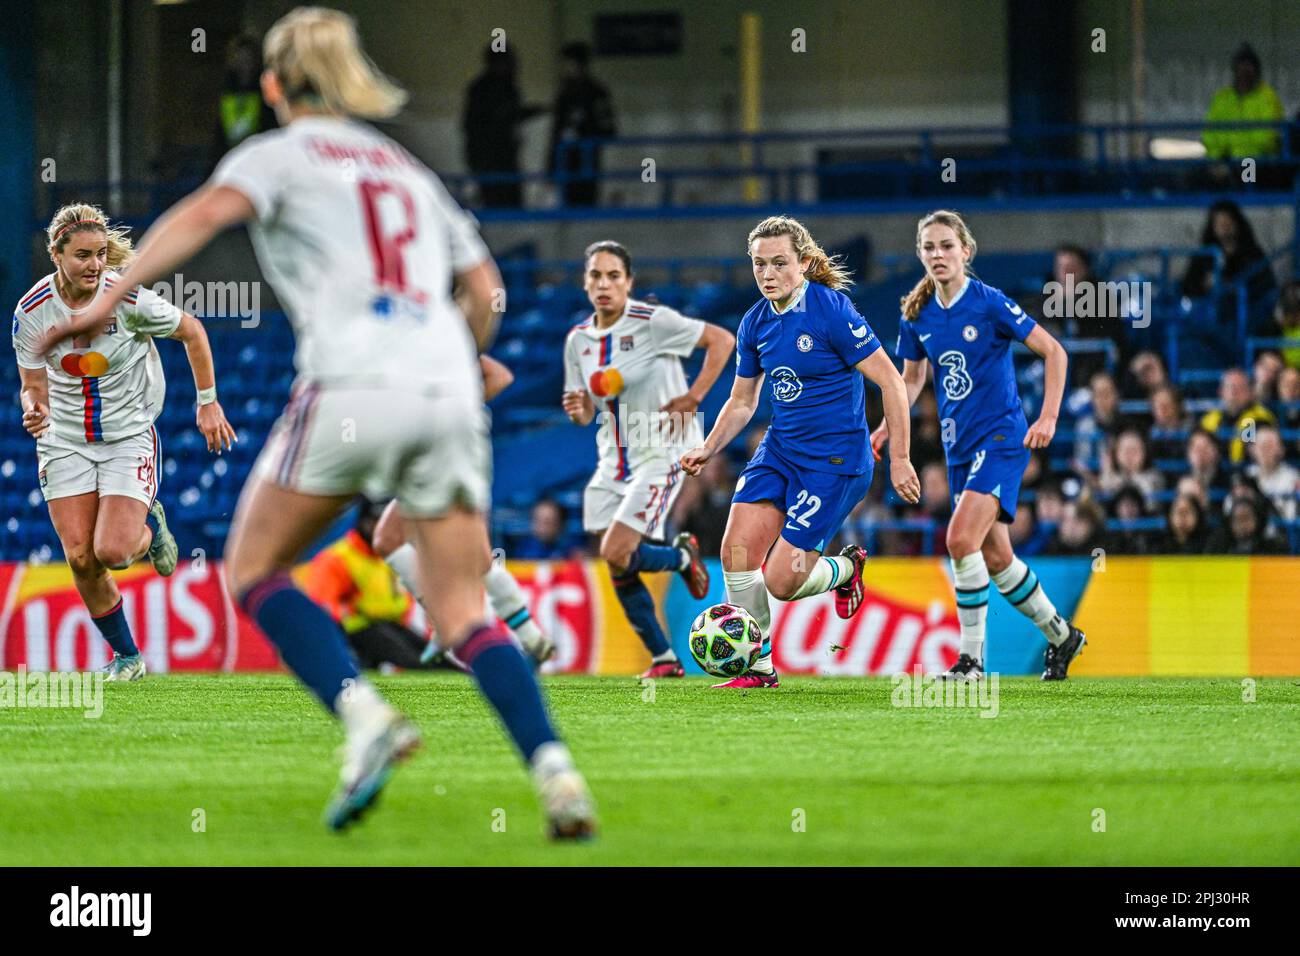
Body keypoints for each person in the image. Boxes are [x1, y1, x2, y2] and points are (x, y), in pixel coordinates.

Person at [36, 7, 594, 839]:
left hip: (352, 386)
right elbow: (483, 291)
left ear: (271, 85)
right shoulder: (407, 167)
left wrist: (105, 303)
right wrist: (451, 360)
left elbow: (198, 218)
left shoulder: (275, 154)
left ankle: (366, 720)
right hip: (444, 390)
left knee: (251, 567)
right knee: (463, 612)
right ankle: (557, 775)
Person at [681, 215, 921, 689]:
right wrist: (709, 448)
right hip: (780, 452)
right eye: (758, 265)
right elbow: (744, 400)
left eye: (778, 263)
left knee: (781, 582)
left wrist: (899, 458)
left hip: (834, 464)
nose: (767, 274)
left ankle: (845, 567)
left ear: (805, 263)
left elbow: (892, 381)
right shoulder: (754, 322)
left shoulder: (832, 310)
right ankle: (759, 667)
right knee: (735, 551)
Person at [13, 203, 235, 681]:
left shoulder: (128, 301)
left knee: (112, 552)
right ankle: (128, 658)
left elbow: (193, 331)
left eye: (99, 254)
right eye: (82, 256)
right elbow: (32, 384)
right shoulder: (31, 312)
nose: (94, 265)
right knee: (80, 557)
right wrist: (34, 408)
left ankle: (150, 529)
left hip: (127, 436)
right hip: (64, 439)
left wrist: (208, 402)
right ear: (56, 255)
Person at [874, 209, 1086, 682]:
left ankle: (971, 662)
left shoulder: (990, 303)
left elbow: (1054, 351)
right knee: (996, 558)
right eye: (929, 247)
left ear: (966, 252)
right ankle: (1061, 636)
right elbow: (910, 383)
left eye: (947, 245)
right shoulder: (916, 314)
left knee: (958, 539)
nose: (938, 254)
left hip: (1002, 438)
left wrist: (1048, 415)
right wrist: (890, 426)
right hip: (959, 449)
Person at [562, 240, 733, 678]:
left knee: (617, 549)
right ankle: (663, 658)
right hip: (611, 460)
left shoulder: (654, 322)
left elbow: (721, 340)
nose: (604, 284)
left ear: (629, 282)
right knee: (615, 557)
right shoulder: (578, 341)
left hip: (661, 453)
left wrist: (694, 396)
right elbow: (586, 412)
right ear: (585, 282)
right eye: (596, 275)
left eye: (613, 276)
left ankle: (680, 557)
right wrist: (580, 411)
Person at [373, 356, 557, 665]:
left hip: (446, 461)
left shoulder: (438, 338)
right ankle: (529, 636)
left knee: (391, 539)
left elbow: (500, 377)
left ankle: (451, 623)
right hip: (454, 460)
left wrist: (455, 411)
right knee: (475, 558)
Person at [306, 497, 438, 671]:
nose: (380, 528)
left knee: (437, 661)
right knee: (417, 665)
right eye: (376, 521)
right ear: (363, 521)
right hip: (359, 628)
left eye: (385, 522)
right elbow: (321, 604)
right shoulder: (338, 558)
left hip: (393, 625)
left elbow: (402, 598)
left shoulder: (386, 555)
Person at [462, 46, 545, 208]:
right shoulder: (481, 89)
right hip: (488, 159)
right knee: (495, 199)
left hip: (506, 157)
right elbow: (475, 124)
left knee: (511, 199)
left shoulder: (508, 87)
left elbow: (512, 115)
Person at [1180, 200, 1276, 328]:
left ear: (1237, 223)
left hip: (1246, 314)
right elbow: (1188, 286)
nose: (1224, 227)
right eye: (1219, 223)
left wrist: (1229, 286)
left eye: (1228, 222)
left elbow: (1265, 285)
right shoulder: (1204, 255)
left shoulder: (1253, 254)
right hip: (1209, 315)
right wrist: (1204, 284)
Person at [549, 42, 616, 207]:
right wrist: (551, 165)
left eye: (569, 64)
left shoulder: (595, 92)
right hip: (566, 161)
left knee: (587, 204)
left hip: (587, 160)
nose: (566, 69)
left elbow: (609, 128)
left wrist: (585, 136)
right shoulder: (564, 94)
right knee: (568, 206)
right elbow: (556, 132)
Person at [1202, 44, 1284, 163]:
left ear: (1256, 72)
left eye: (1248, 68)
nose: (1243, 73)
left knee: (1247, 176)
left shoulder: (1268, 99)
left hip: (1255, 162)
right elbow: (1209, 134)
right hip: (1222, 162)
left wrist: (1239, 154)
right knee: (1186, 178)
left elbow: (1267, 139)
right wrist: (1216, 160)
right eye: (1240, 68)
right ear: (1234, 70)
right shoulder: (1222, 98)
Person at [1199, 367, 1275, 464]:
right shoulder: (1209, 419)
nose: (1233, 392)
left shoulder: (1257, 418)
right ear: (1220, 392)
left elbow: (1247, 452)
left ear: (1250, 392)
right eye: (1229, 387)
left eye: (1240, 387)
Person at [1244, 424, 1299, 521]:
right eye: (1261, 446)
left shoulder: (1293, 478)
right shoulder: (1246, 475)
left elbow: (1290, 517)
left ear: (1281, 450)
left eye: (1270, 446)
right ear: (1252, 450)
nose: (1265, 451)